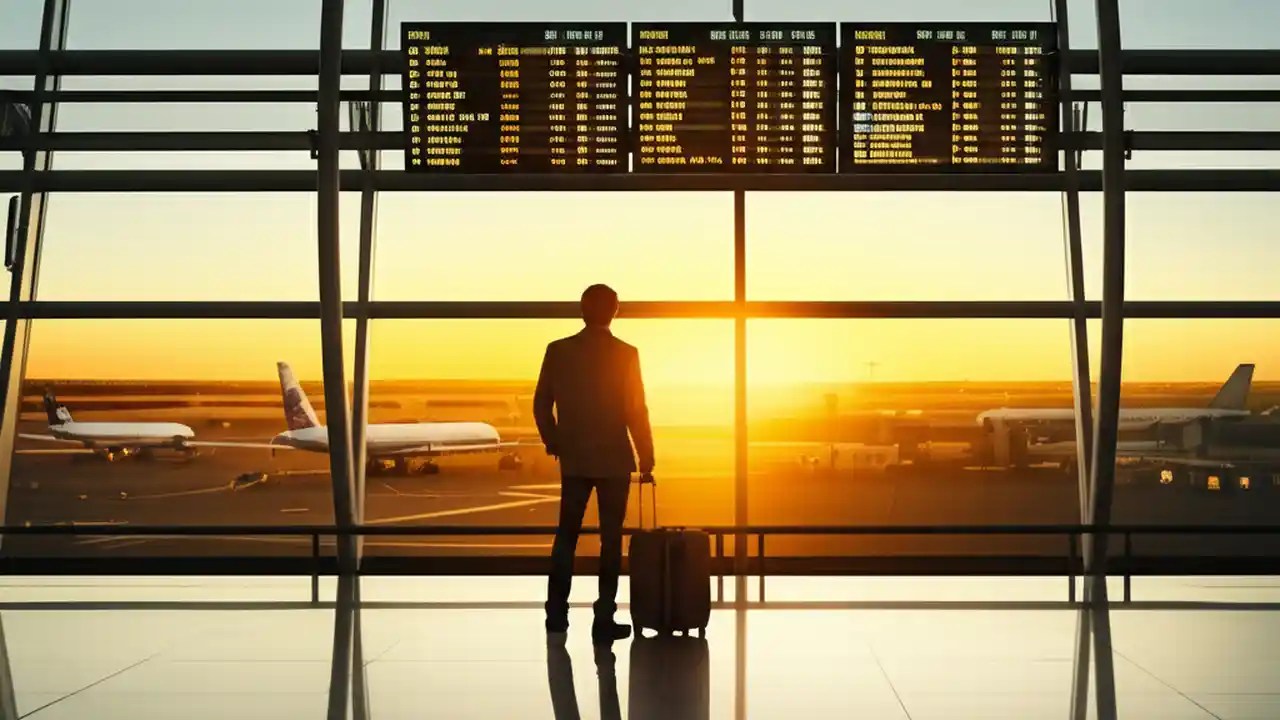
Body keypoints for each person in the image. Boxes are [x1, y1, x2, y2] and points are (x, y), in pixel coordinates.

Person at [536, 283, 655, 643]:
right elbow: (636, 409)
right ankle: (604, 617)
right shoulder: (626, 354)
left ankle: (556, 614)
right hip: (614, 458)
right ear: (615, 311)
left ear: (582, 310)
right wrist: (646, 455)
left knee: (566, 537)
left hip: (574, 458)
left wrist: (555, 442)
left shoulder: (558, 350)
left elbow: (541, 404)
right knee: (611, 540)